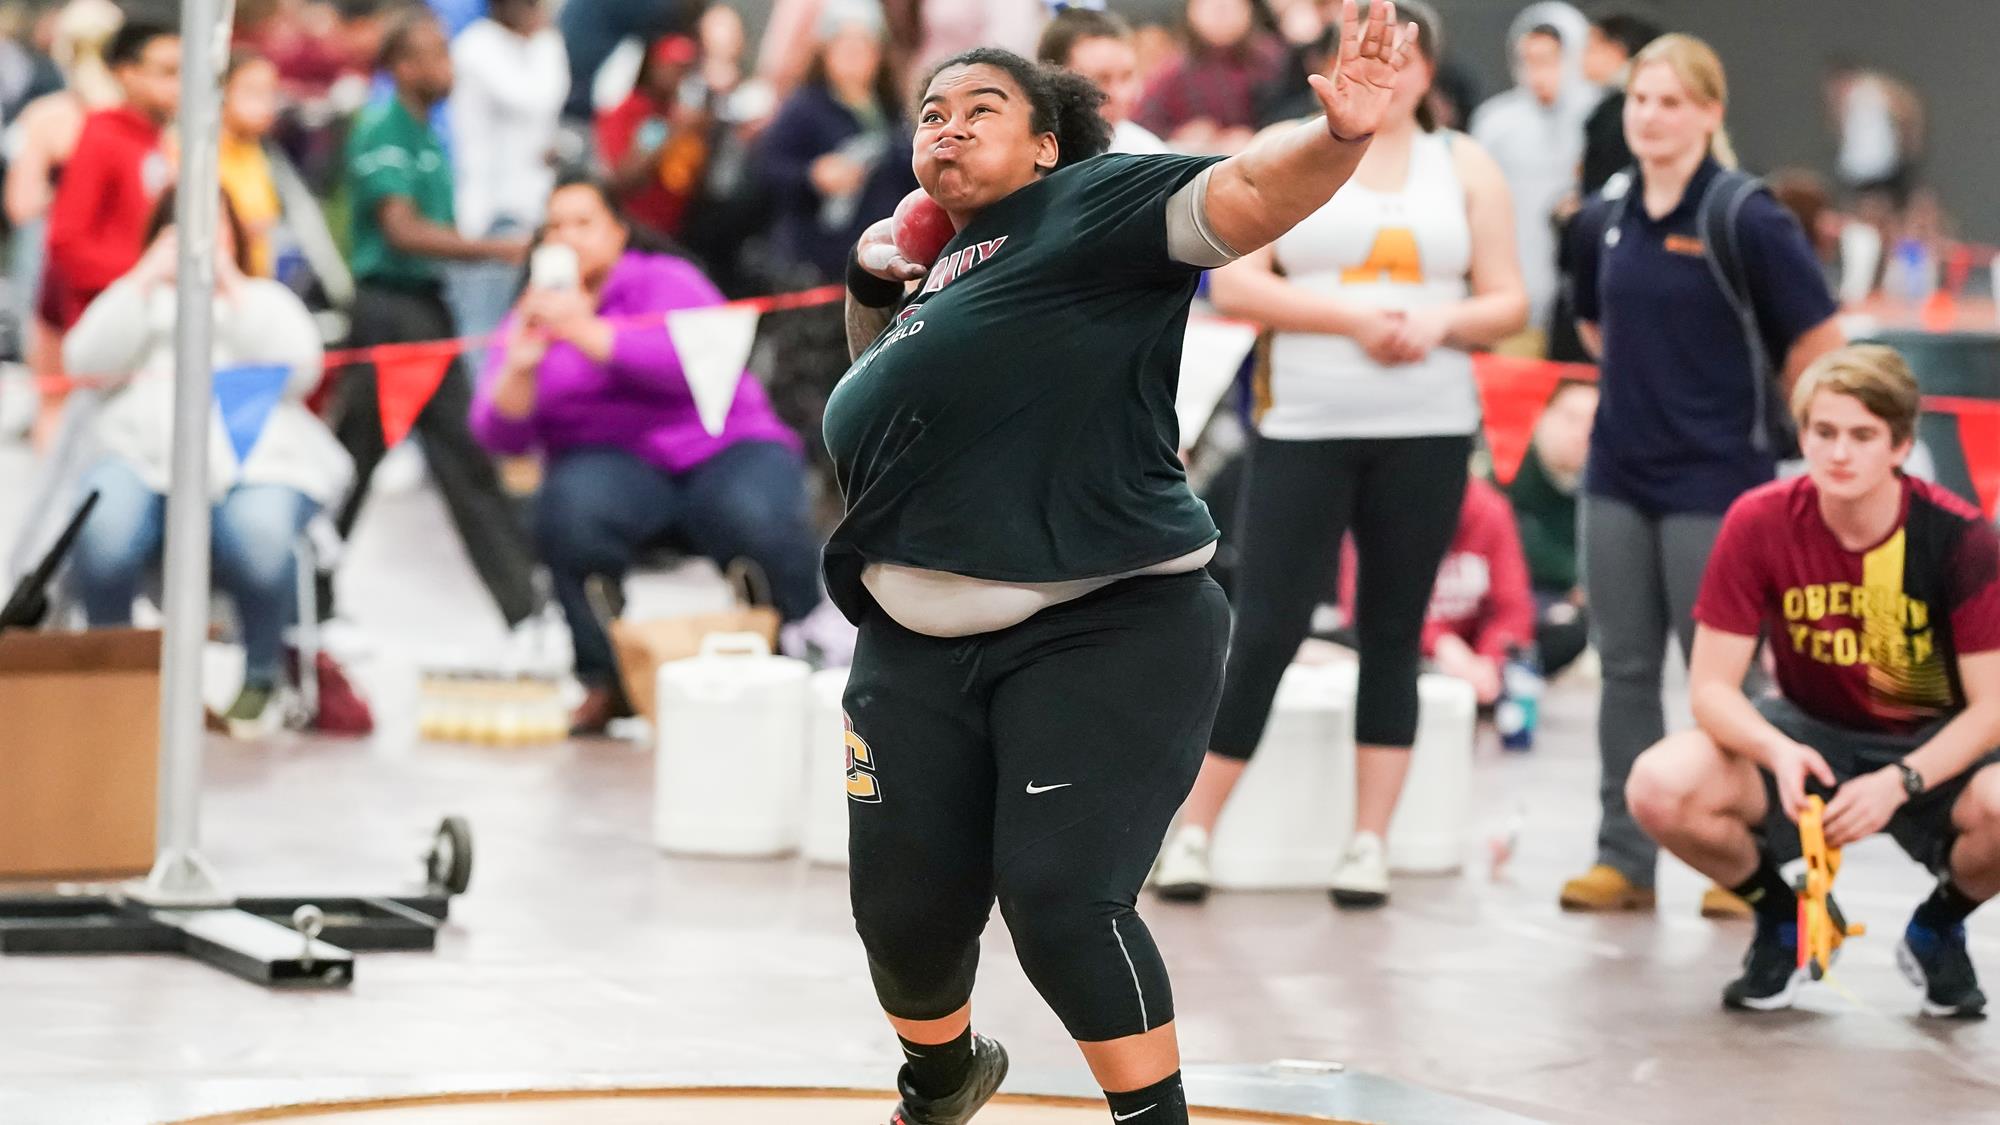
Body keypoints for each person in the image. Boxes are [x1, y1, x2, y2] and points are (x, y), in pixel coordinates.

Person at [829, 5, 1416, 1121]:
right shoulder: (939, 268)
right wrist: (874, 288)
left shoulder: (1092, 203)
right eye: (931, 113)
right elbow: (899, 398)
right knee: (902, 916)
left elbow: (1246, 194)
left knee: (1062, 902)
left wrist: (1336, 136)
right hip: (911, 639)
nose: (948, 125)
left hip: (1103, 623)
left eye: (983, 109)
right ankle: (943, 1081)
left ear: (1046, 144)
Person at [1153, 0, 1528, 910]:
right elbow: (1235, 284)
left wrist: (1439, 322)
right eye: (1364, 50)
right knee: (1267, 627)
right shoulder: (1288, 147)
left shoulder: (1463, 163)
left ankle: (1369, 842)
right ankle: (1194, 830)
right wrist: (1352, 318)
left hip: (1427, 424)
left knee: (1395, 631)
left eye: (1402, 54)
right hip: (1306, 422)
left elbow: (1508, 300)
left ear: (1428, 71)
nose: (1385, 68)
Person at [1557, 33, 1847, 915]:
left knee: (1720, 682)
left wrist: (1811, 443)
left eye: (1671, 102)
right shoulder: (1601, 217)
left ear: (1710, 113)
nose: (1650, 117)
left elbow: (1819, 340)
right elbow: (1595, 326)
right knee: (1624, 669)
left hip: (1717, 482)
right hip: (1617, 475)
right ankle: (1624, 858)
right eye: (1640, 100)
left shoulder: (1746, 217)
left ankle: (1744, 856)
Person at [1626, 344, 2000, 1017]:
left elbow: (1992, 706)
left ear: (1901, 445)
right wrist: (1775, 749)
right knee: (1658, 785)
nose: (1839, 453)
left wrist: (1902, 780)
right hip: (1807, 730)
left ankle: (1939, 926)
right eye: (1823, 432)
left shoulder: (1959, 536)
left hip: (1930, 742)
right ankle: (1786, 920)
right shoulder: (1760, 519)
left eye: (1863, 435)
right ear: (1802, 437)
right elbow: (1710, 687)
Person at [469, 177, 824, 734]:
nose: (568, 237)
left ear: (618, 232)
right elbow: (499, 437)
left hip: (723, 445)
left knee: (752, 514)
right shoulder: (531, 314)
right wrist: (520, 367)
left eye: (583, 223)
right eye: (554, 227)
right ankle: (607, 678)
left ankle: (803, 656)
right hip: (613, 465)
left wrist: (582, 329)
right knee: (568, 512)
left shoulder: (665, 280)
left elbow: (682, 363)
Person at [62, 191, 352, 736]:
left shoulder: (263, 298)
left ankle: (261, 675)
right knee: (104, 535)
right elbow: (84, 363)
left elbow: (301, 371)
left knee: (259, 538)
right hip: (139, 458)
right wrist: (143, 278)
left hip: (255, 463)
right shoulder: (137, 297)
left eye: (212, 224)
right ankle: (113, 676)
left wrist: (230, 286)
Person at [328, 9, 538, 629]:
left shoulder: (427, 132)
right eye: (434, 56)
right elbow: (401, 229)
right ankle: (300, 595)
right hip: (390, 310)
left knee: (457, 455)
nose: (448, 68)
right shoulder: (383, 128)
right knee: (356, 457)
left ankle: (523, 608)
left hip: (425, 304)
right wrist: (496, 249)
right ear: (401, 66)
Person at [755, 11, 916, 286]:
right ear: (826, 53)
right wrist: (812, 176)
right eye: (845, 47)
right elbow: (766, 168)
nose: (854, 58)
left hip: (882, 253)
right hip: (817, 258)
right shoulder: (804, 107)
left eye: (863, 48)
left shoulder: (891, 109)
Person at [41, 19, 176, 339]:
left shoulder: (156, 139)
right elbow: (66, 243)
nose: (179, 84)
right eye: (168, 72)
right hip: (109, 323)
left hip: (148, 314)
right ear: (127, 73)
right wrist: (146, 274)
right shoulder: (103, 137)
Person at [1469, 20, 1592, 334]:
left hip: (1576, 288)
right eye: (1528, 61)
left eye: (1548, 60)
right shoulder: (1495, 121)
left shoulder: (1595, 116)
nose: (1537, 73)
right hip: (1514, 277)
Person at [1507, 378, 1596, 679]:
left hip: (1575, 604)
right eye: (1572, 418)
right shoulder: (1509, 472)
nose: (1582, 432)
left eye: (1594, 422)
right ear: (1542, 417)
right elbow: (1516, 542)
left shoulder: (1606, 487)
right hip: (1515, 594)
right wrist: (1574, 577)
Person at [595, 34, 711, 242]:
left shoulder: (684, 116)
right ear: (655, 66)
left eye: (687, 69)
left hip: (669, 231)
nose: (679, 76)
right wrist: (674, 131)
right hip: (631, 226)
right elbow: (623, 177)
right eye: (673, 67)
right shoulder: (632, 109)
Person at [1134, 0, 1287, 155]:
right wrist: (1179, 134)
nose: (1221, 14)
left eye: (1229, 5)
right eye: (1210, 5)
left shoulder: (1276, 60)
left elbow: (1293, 115)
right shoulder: (1173, 71)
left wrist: (1257, 136)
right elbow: (1140, 125)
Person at [1036, 7, 1168, 155]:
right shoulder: (1029, 153)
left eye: (1127, 77)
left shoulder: (1147, 152)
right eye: (1100, 80)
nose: (1120, 95)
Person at [219, 51, 285, 278]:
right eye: (253, 92)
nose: (266, 104)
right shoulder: (195, 153)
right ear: (221, 92)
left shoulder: (253, 148)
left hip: (252, 281)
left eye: (271, 92)